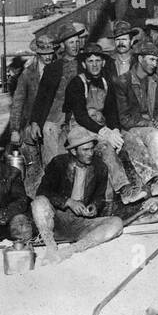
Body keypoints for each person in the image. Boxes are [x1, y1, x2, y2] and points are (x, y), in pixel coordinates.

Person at [63, 44, 148, 205]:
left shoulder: (106, 82)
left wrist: (115, 129)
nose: (94, 64)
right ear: (83, 64)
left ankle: (149, 183)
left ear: (103, 63)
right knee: (105, 147)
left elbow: (111, 111)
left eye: (98, 60)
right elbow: (81, 116)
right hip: (79, 129)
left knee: (129, 140)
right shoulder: (77, 83)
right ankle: (124, 189)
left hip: (100, 127)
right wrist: (105, 132)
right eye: (90, 61)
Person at [32, 126, 127, 263]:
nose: (90, 153)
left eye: (91, 148)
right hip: (56, 221)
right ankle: (50, 246)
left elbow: (99, 197)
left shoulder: (100, 167)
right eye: (85, 150)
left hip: (80, 224)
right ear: (73, 151)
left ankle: (71, 250)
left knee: (116, 223)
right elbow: (42, 191)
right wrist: (68, 202)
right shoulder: (58, 163)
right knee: (39, 202)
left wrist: (94, 206)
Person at [109, 39, 158, 198]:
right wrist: (151, 124)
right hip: (130, 130)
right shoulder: (122, 82)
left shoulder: (153, 80)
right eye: (151, 59)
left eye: (156, 60)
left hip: (151, 128)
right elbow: (125, 119)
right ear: (140, 59)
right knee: (154, 134)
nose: (155, 63)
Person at [10, 35, 63, 196]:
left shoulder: (60, 69)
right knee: (33, 164)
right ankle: (33, 194)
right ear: (37, 54)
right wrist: (15, 129)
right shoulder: (28, 74)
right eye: (43, 53)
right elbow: (18, 102)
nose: (48, 56)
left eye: (50, 53)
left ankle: (56, 187)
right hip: (33, 124)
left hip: (55, 121)